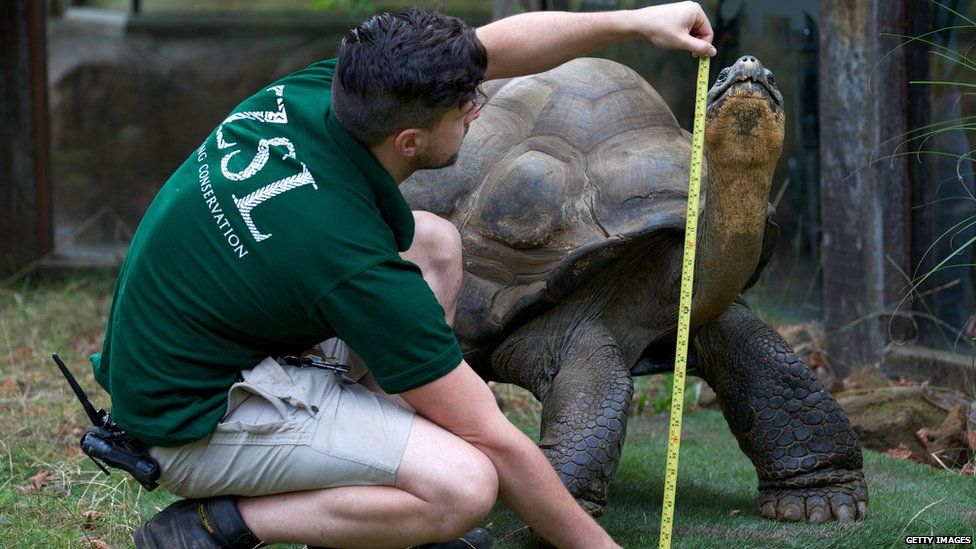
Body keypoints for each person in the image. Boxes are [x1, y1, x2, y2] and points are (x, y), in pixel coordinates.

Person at [93, 3, 715, 548]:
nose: (478, 109)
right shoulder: (348, 257)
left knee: (435, 243)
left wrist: (635, 23)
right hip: (193, 422)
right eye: (466, 109)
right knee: (466, 485)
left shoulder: (322, 92)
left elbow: (497, 48)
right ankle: (219, 525)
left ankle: (375, 486)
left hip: (202, 346)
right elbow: (493, 437)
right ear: (411, 140)